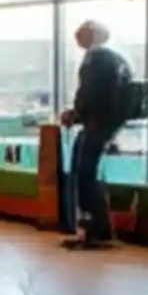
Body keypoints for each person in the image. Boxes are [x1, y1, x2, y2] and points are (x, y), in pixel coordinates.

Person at [60, 20, 130, 250]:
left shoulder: (96, 60)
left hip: (97, 123)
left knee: (84, 174)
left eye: (81, 34)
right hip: (105, 122)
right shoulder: (114, 60)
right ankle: (100, 227)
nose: (77, 38)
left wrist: (77, 114)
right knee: (87, 171)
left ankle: (94, 228)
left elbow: (91, 95)